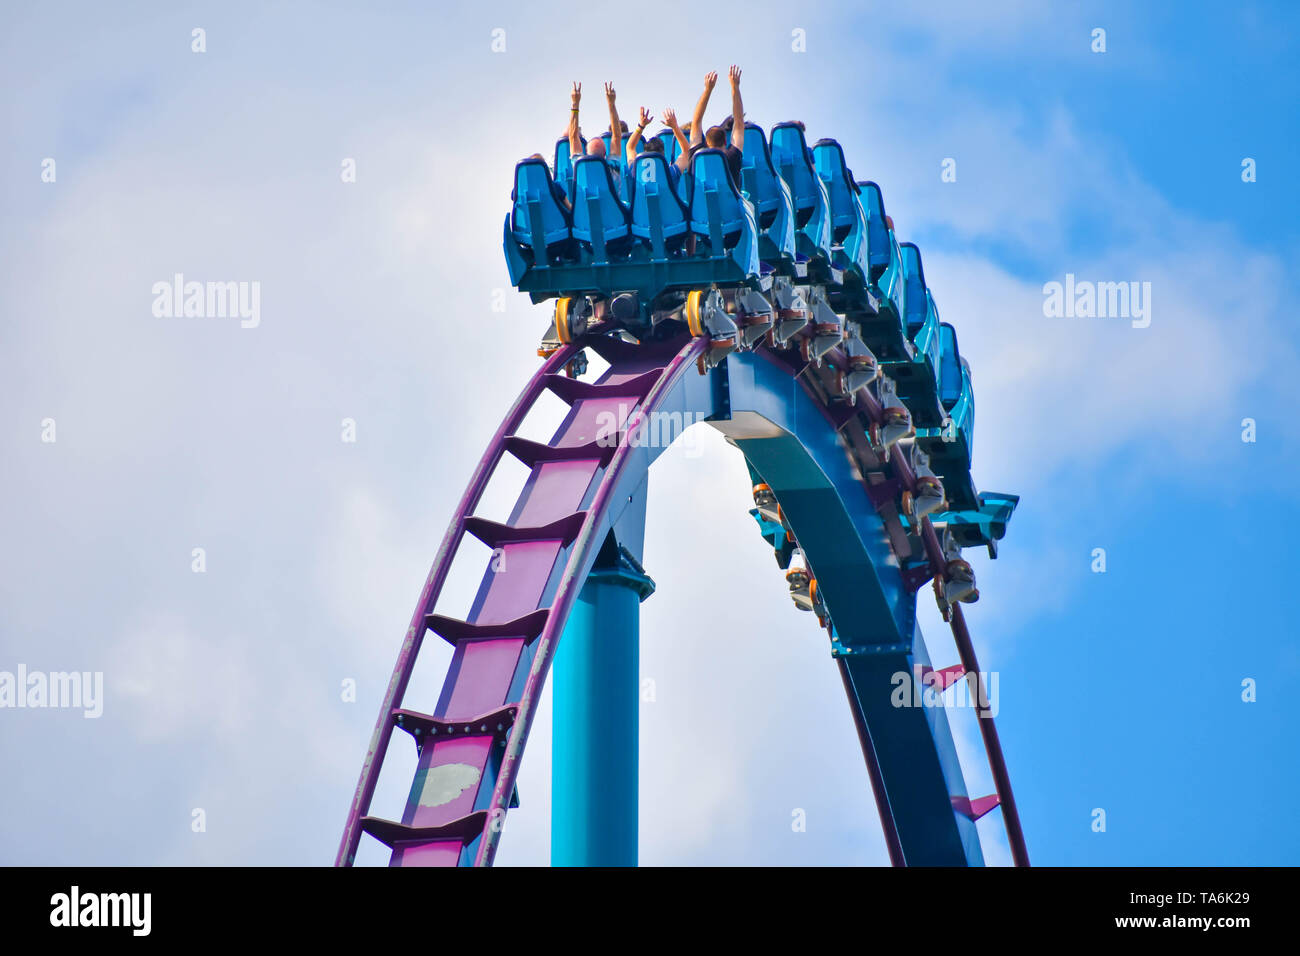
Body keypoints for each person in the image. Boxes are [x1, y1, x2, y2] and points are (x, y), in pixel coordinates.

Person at [568, 81, 626, 197]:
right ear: (605, 155)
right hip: (613, 215)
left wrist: (575, 104)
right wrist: (611, 104)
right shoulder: (612, 166)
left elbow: (573, 137)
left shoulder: (579, 166)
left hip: (584, 215)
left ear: (586, 153)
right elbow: (617, 136)